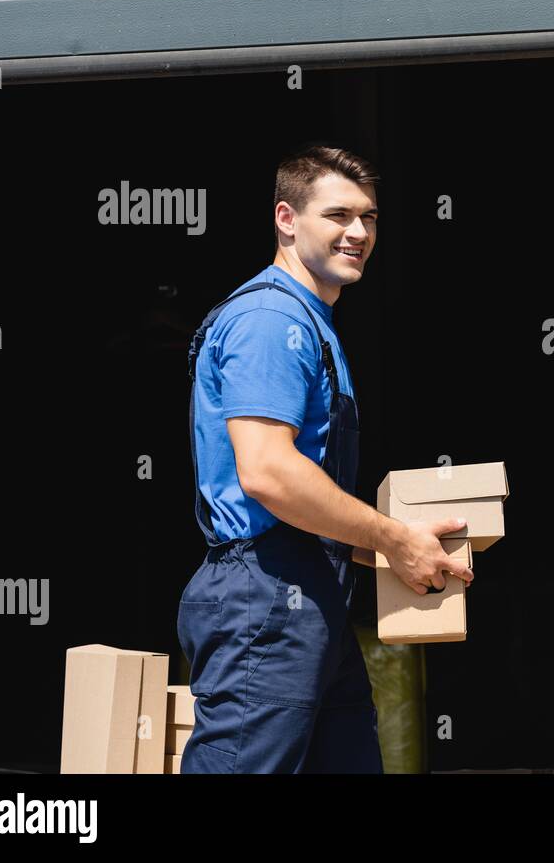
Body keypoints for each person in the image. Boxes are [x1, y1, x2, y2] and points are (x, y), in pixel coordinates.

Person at [177, 145, 472, 773]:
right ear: (287, 218)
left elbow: (303, 501)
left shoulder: (313, 323)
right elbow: (269, 473)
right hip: (265, 593)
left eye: (368, 218)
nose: (359, 233)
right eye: (338, 215)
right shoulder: (270, 319)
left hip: (311, 595)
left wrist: (404, 548)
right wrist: (392, 538)